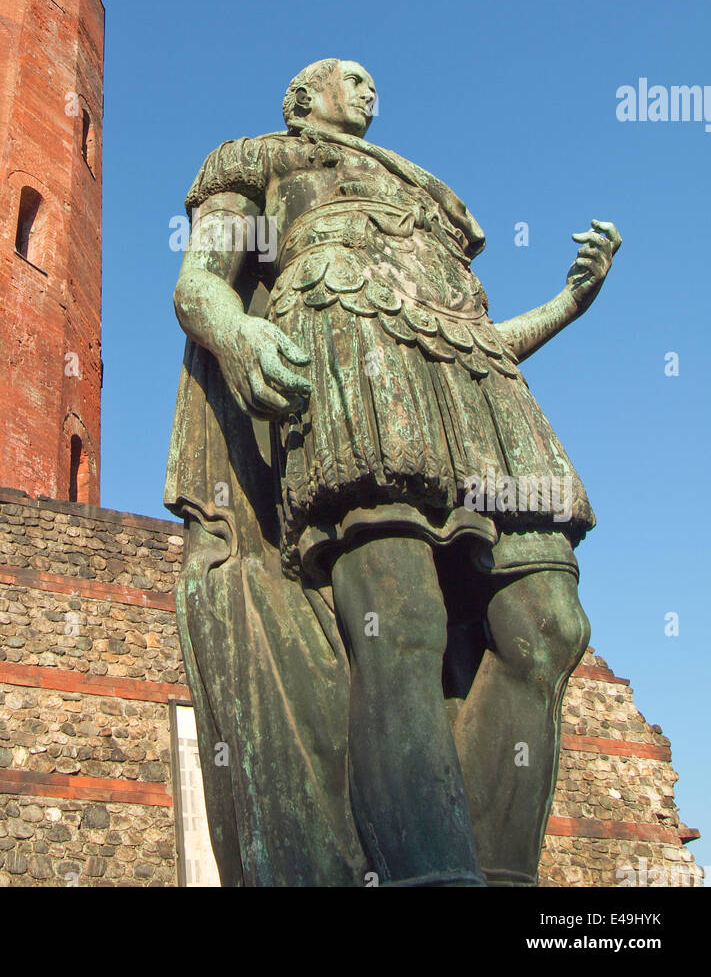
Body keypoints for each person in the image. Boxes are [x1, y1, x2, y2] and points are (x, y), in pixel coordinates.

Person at [166, 58, 620, 886]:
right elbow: (200, 281)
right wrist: (236, 337)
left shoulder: (432, 197)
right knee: (399, 621)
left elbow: (477, 336)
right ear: (304, 97)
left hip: (478, 390)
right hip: (348, 360)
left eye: (373, 79)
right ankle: (431, 874)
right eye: (349, 77)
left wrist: (566, 304)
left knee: (549, 624)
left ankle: (495, 872)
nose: (368, 88)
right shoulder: (258, 158)